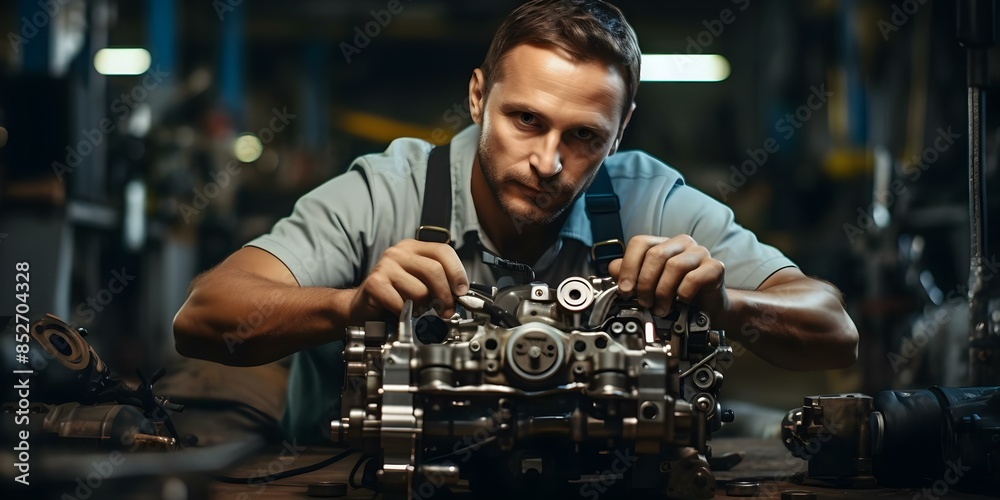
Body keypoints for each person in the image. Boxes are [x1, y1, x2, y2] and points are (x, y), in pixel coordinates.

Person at [173, 0, 859, 444]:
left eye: (584, 135)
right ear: (478, 97)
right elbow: (202, 318)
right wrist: (351, 305)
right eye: (525, 119)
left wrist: (725, 302)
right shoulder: (389, 190)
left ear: (621, 132)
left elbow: (835, 334)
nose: (549, 161)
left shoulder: (651, 199)